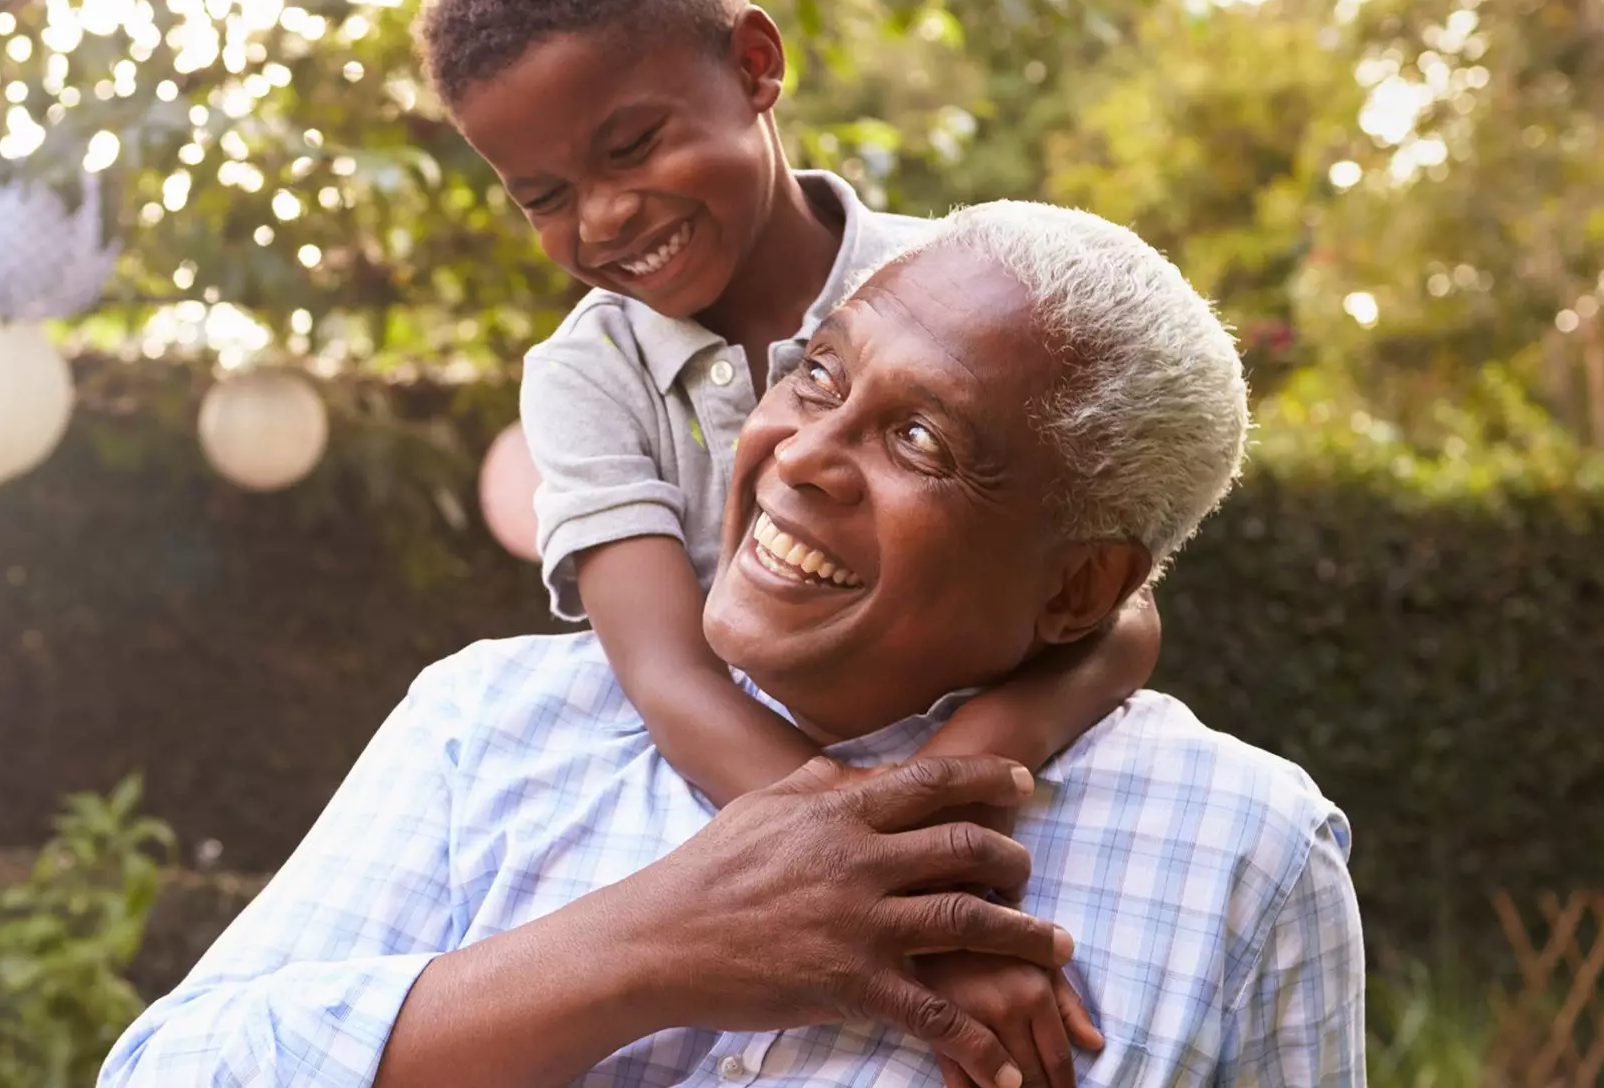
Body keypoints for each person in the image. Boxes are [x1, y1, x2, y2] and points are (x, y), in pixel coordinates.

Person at [100, 202, 1366, 1088]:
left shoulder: (1245, 855)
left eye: (923, 441)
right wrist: (648, 947)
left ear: (1084, 585)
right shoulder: (487, 727)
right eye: (818, 375)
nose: (802, 454)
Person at [420, 0, 1159, 1076]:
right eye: (544, 195)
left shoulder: (960, 294)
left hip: (939, 766)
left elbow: (1116, 616)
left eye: (633, 145)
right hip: (736, 810)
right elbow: (664, 673)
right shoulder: (583, 377)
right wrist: (878, 881)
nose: (600, 220)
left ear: (756, 67)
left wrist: (936, 820)